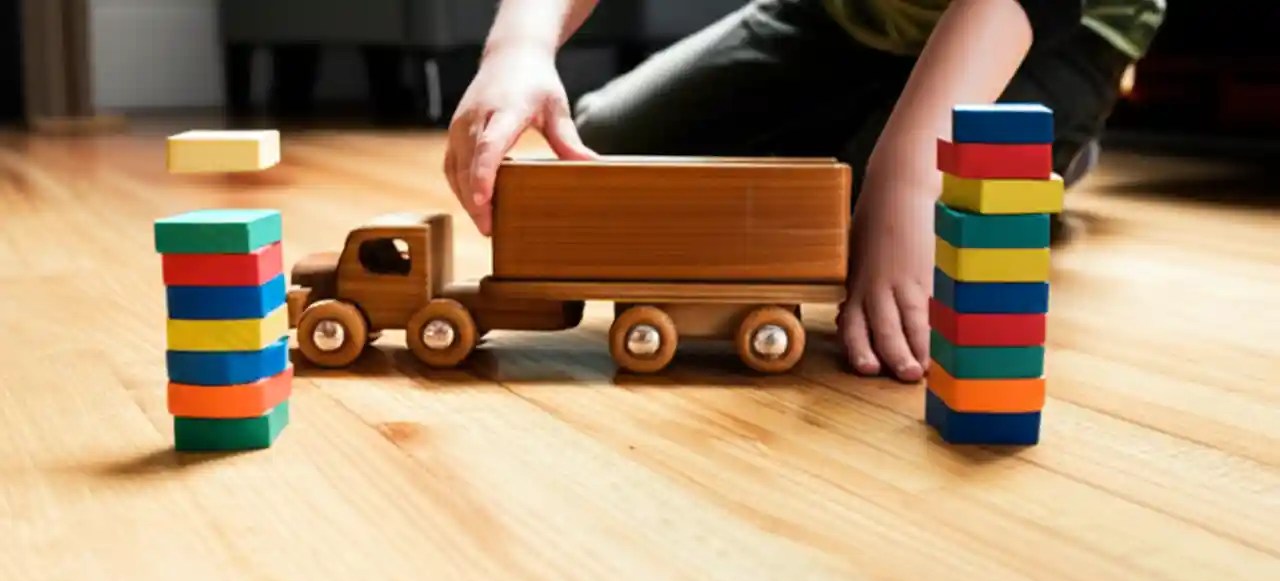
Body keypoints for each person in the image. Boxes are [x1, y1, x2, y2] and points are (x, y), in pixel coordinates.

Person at [443, 0, 1165, 381]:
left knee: (864, 221)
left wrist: (909, 175)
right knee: (608, 150)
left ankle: (1051, 143)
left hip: (1052, 28)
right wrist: (519, 47)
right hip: (845, 16)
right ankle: (874, 116)